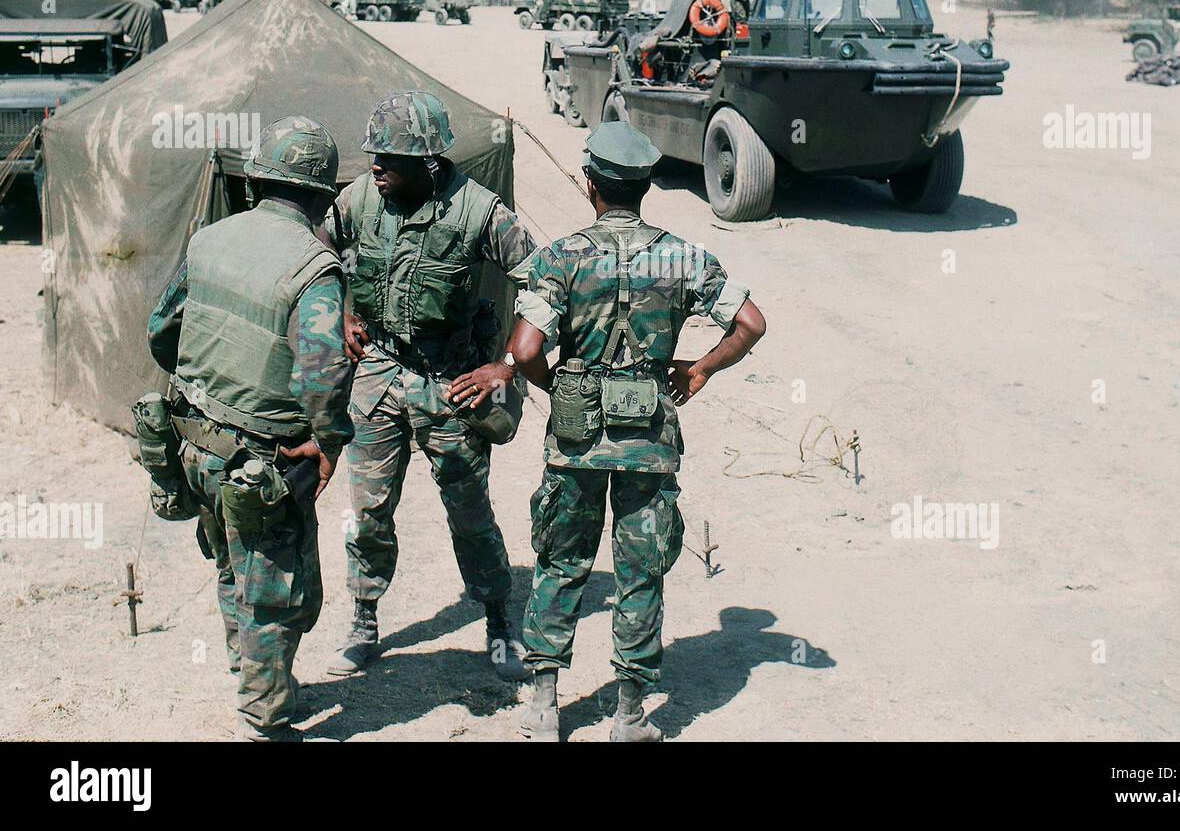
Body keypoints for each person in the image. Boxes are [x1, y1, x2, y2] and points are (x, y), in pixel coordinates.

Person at [492, 121, 766, 741]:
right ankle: (629, 716)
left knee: (560, 562)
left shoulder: (561, 257)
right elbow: (750, 323)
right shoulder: (684, 256)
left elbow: (526, 345)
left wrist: (553, 382)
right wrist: (698, 369)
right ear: (645, 186)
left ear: (590, 184)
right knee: (641, 571)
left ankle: (542, 706)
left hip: (576, 439)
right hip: (649, 442)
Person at [146, 117, 354, 742]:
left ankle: (250, 674)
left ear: (256, 180)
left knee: (231, 567)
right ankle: (263, 720)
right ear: (323, 196)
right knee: (276, 593)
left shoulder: (210, 238)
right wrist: (328, 440)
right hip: (262, 462)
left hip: (192, 444)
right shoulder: (316, 267)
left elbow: (161, 330)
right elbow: (324, 375)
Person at [323, 90, 536, 681]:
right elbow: (317, 255)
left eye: (389, 159)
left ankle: (498, 620)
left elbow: (545, 287)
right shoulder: (359, 200)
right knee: (367, 509)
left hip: (452, 384)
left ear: (428, 161)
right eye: (374, 157)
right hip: (378, 375)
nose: (376, 168)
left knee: (469, 510)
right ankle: (364, 618)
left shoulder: (479, 212)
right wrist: (339, 308)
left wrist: (508, 366)